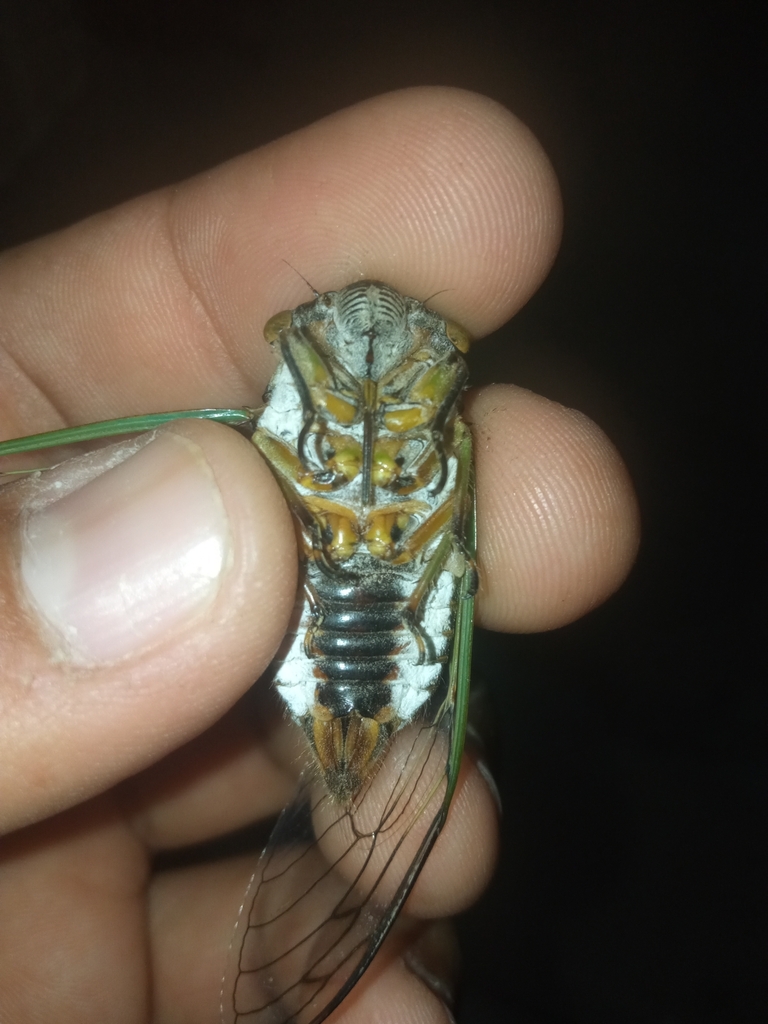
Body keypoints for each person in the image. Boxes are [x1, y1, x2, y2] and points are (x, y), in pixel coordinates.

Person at [0, 87, 639, 1023]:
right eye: (316, 341)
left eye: (429, 353)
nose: (376, 354)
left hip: (372, 609)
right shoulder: (368, 421)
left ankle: (382, 745)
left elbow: (453, 538)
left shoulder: (446, 440)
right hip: (335, 581)